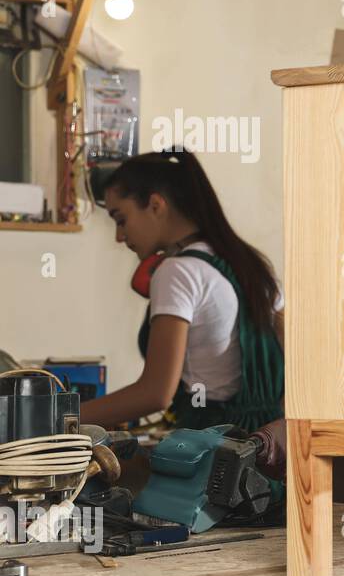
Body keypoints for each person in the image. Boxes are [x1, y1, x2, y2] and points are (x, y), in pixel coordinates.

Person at [80, 148, 285, 433]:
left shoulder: (176, 272)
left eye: (121, 219)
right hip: (268, 448)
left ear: (155, 205)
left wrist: (65, 418)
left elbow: (154, 393)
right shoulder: (251, 263)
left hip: (211, 447)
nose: (119, 236)